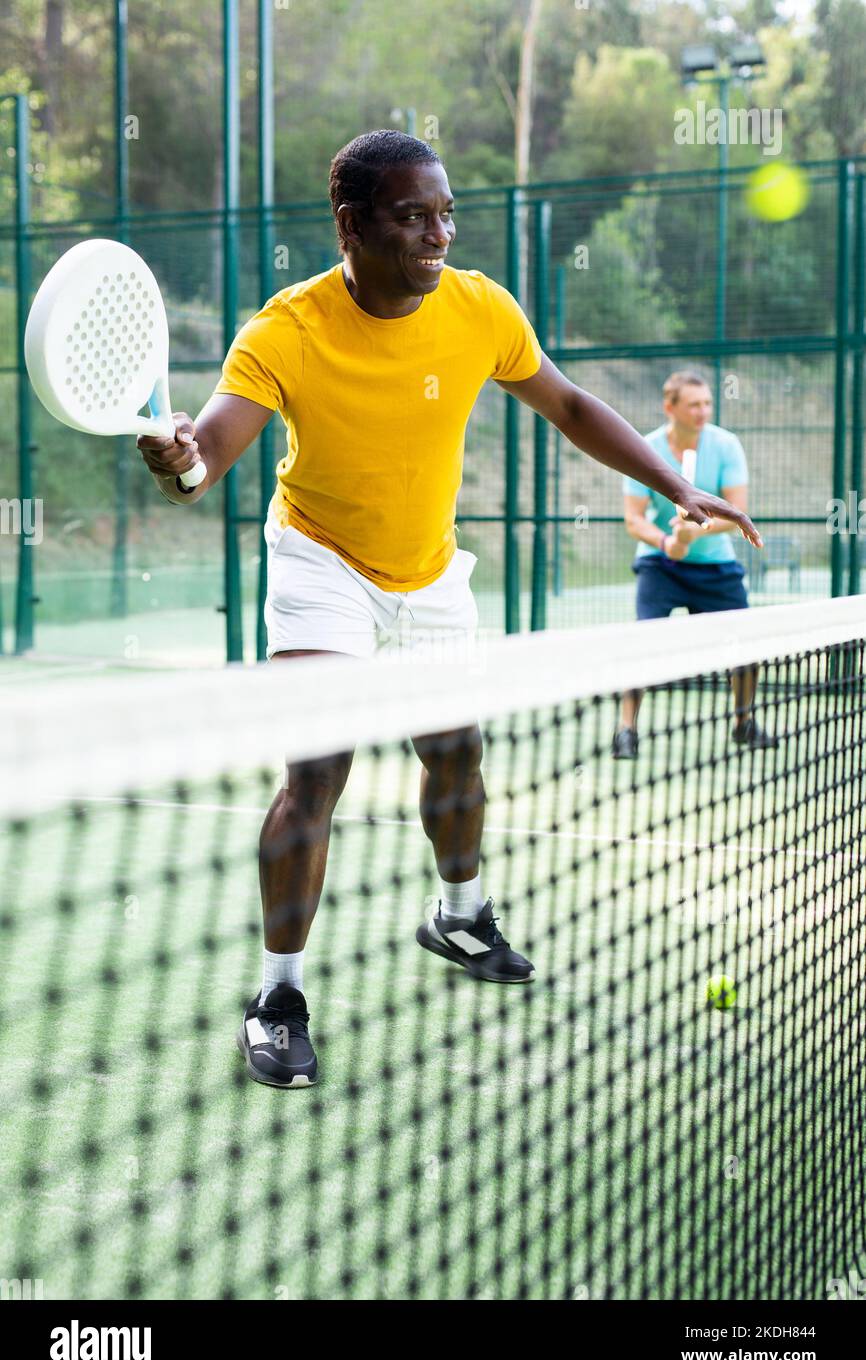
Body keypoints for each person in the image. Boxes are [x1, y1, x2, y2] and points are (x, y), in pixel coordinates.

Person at [137, 131, 762, 1088]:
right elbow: (209, 453)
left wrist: (677, 484)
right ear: (352, 225)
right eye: (412, 216)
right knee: (318, 765)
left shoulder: (477, 306)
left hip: (429, 571)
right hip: (321, 560)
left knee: (456, 753)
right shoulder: (286, 329)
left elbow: (570, 404)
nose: (438, 235)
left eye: (446, 213)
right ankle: (278, 996)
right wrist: (181, 463)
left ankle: (459, 917)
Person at [613, 369, 778, 760]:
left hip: (716, 567)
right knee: (642, 644)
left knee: (745, 647)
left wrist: (695, 532)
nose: (703, 411)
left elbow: (737, 511)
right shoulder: (644, 447)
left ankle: (743, 723)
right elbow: (634, 519)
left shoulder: (726, 445)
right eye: (693, 404)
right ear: (669, 407)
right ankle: (626, 731)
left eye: (707, 403)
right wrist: (667, 541)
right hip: (660, 565)